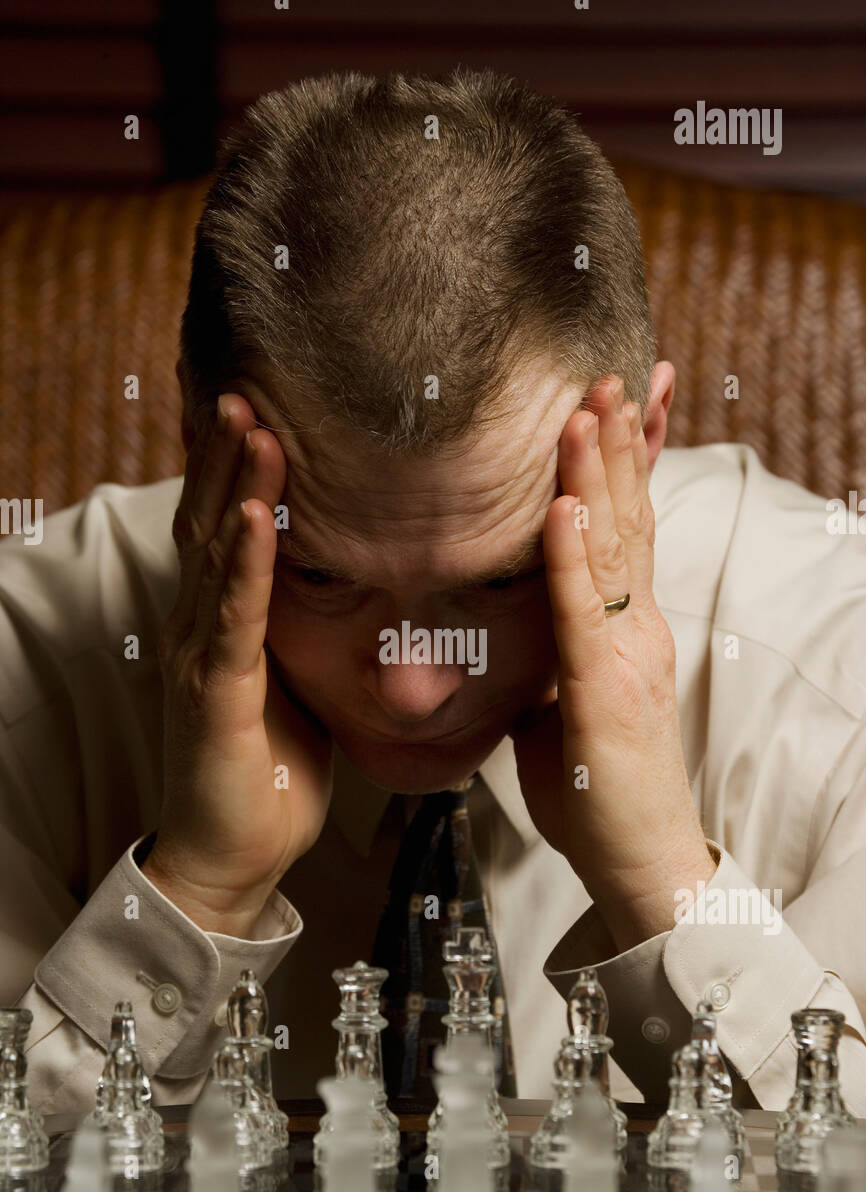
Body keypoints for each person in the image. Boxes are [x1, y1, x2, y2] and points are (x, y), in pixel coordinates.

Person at [2, 70, 864, 1116]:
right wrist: (194, 890)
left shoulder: (833, 656)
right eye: (320, 574)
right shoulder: (24, 670)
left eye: (496, 579)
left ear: (637, 444)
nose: (414, 689)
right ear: (197, 445)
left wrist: (664, 886)